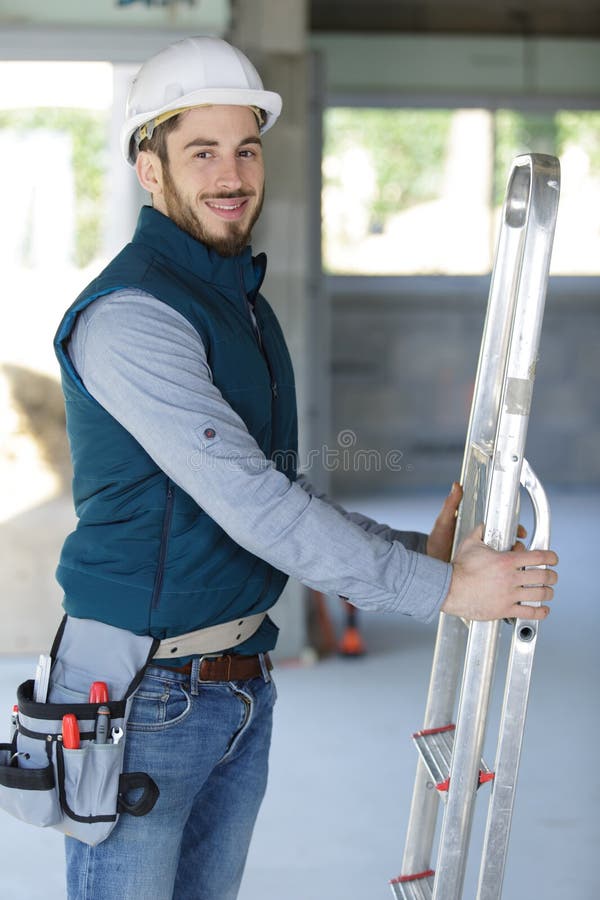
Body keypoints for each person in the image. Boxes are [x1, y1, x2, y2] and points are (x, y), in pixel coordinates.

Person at [51, 35, 558, 900]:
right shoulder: (132, 317)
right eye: (200, 151)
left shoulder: (237, 303)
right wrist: (443, 591)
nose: (231, 174)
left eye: (246, 148)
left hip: (240, 684)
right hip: (143, 697)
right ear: (149, 167)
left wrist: (419, 554)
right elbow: (257, 507)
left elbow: (279, 494)